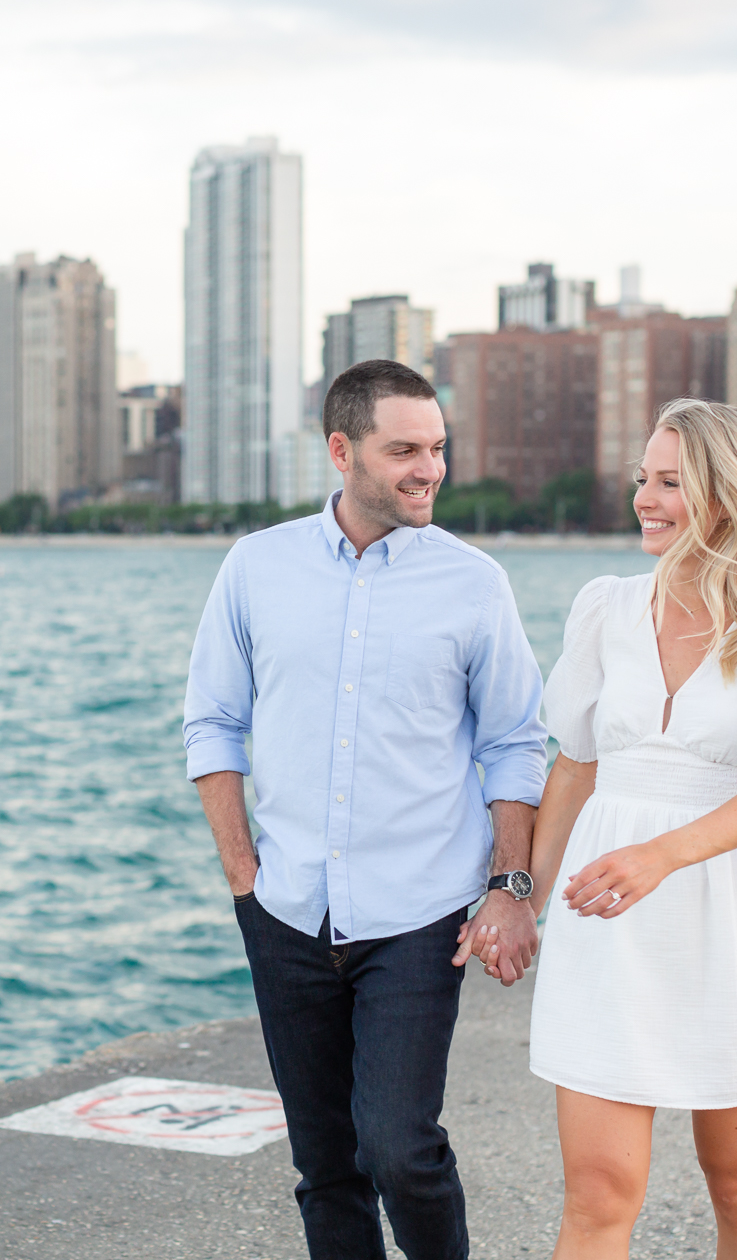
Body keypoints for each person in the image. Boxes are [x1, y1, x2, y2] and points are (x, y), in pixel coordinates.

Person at [478, 398, 737, 1259]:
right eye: (641, 480)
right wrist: (519, 899)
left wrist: (661, 854)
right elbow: (574, 767)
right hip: (608, 922)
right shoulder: (605, 607)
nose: (643, 499)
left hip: (735, 912)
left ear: (729, 495)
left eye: (669, 483)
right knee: (599, 1193)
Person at [183, 360, 548, 1260]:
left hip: (418, 916)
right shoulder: (256, 567)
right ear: (342, 451)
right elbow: (214, 723)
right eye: (404, 451)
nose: (429, 469)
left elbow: (514, 741)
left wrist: (510, 884)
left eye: (438, 449)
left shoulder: (473, 584)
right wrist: (243, 875)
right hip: (287, 909)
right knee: (326, 1166)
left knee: (399, 1148)